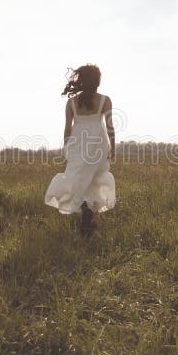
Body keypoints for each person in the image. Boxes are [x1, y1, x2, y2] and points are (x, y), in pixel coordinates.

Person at [44, 64, 116, 236]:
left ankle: (86, 210)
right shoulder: (105, 100)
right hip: (98, 143)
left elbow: (67, 128)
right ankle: (90, 217)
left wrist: (66, 148)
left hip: (77, 143)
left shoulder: (71, 103)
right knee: (96, 180)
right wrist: (112, 147)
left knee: (76, 177)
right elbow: (110, 127)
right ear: (97, 81)